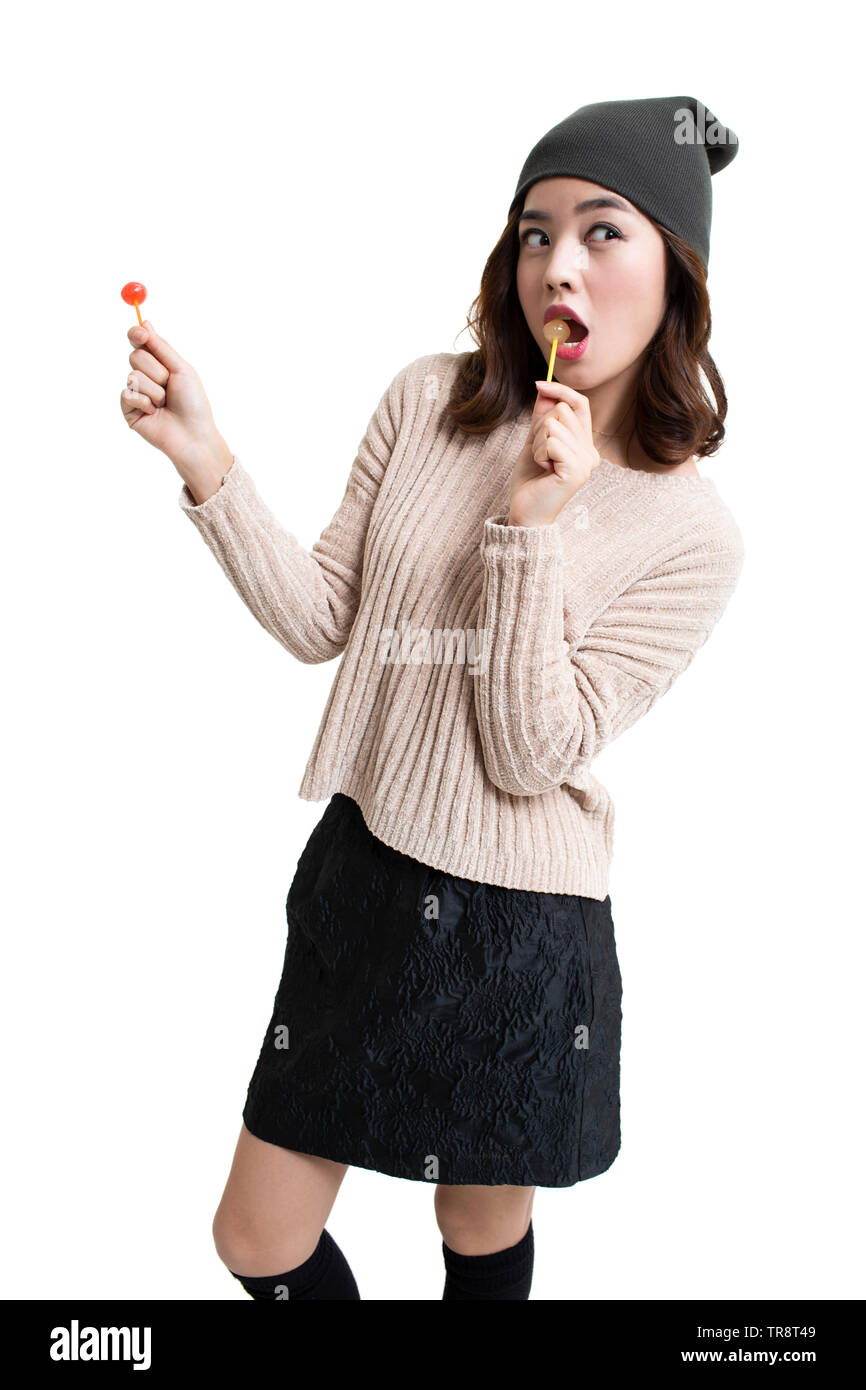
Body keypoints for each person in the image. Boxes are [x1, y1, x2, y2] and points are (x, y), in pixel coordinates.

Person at [119, 95, 744, 1301]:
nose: (555, 264)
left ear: (676, 267)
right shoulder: (429, 400)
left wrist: (530, 529)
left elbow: (531, 751)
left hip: (519, 925)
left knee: (474, 1227)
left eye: (601, 232)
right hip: (364, 870)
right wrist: (204, 455)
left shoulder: (692, 534)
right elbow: (320, 621)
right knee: (258, 1236)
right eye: (531, 232)